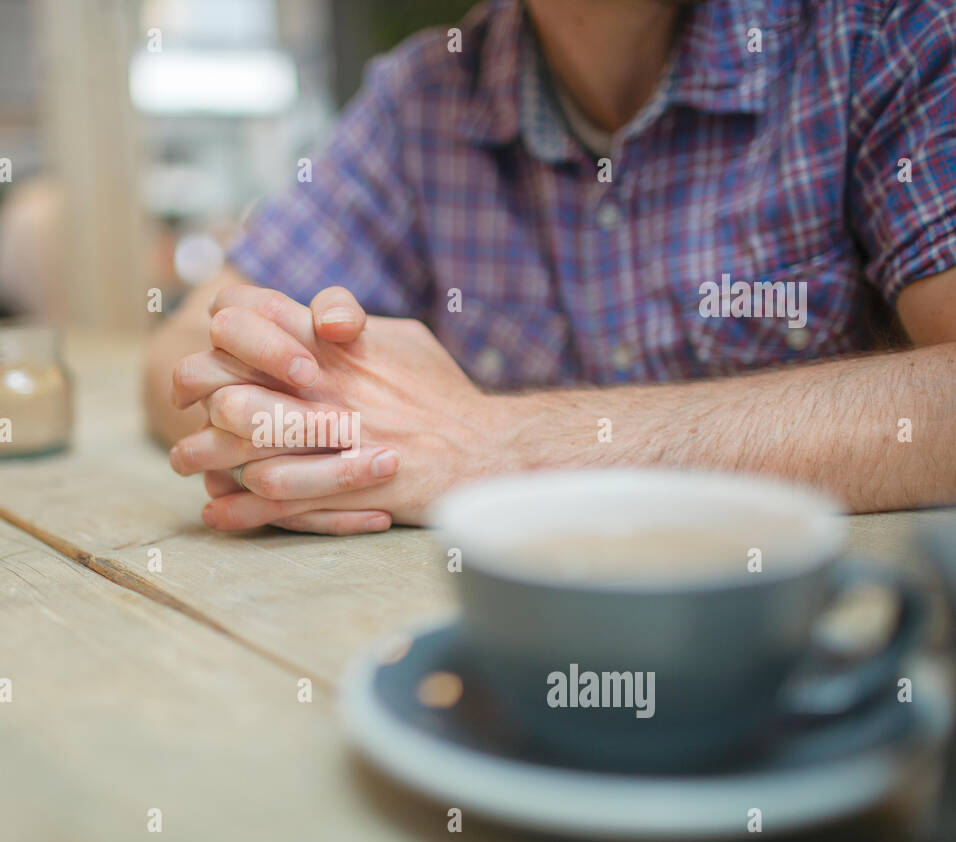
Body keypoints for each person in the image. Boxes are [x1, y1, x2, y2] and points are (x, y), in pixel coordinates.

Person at [144, 0, 956, 535]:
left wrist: (497, 446)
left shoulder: (881, 34)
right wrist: (325, 434)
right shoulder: (421, 99)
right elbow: (178, 355)